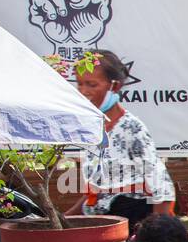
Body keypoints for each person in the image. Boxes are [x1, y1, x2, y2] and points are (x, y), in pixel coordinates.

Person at [70, 50, 176, 230]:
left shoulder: (131, 129)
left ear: (115, 86)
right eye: (80, 84)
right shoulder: (94, 130)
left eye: (91, 84)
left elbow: (162, 188)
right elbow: (98, 188)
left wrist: (151, 235)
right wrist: (65, 218)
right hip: (102, 224)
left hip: (130, 224)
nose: (83, 91)